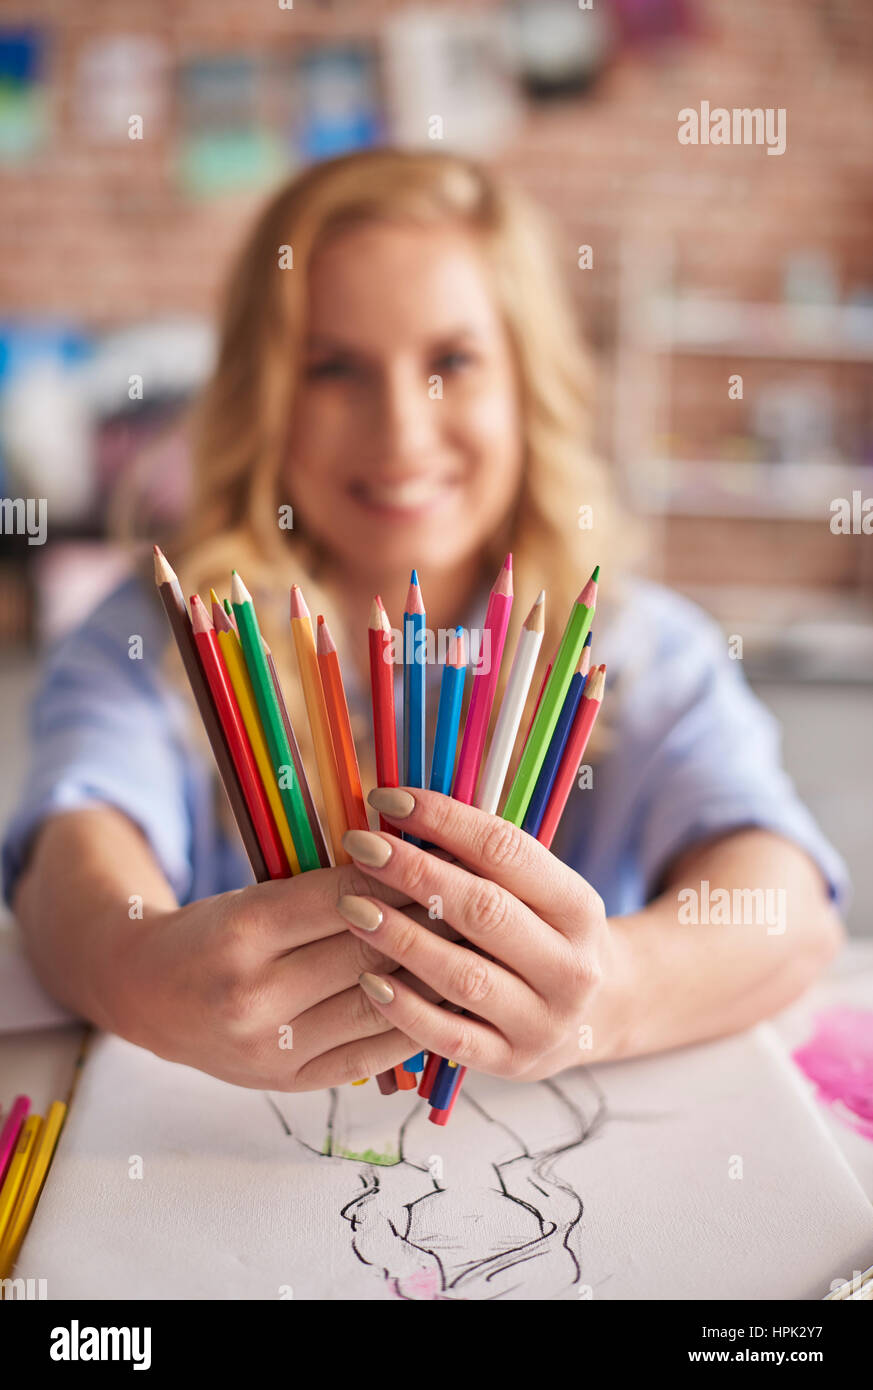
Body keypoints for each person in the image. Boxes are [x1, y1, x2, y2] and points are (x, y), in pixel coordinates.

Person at [2, 150, 847, 1093]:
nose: (402, 428)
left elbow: (784, 902)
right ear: (264, 399)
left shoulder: (633, 642)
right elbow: (73, 849)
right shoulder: (168, 636)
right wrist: (135, 969)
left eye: (452, 360)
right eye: (332, 368)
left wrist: (611, 996)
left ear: (530, 386)